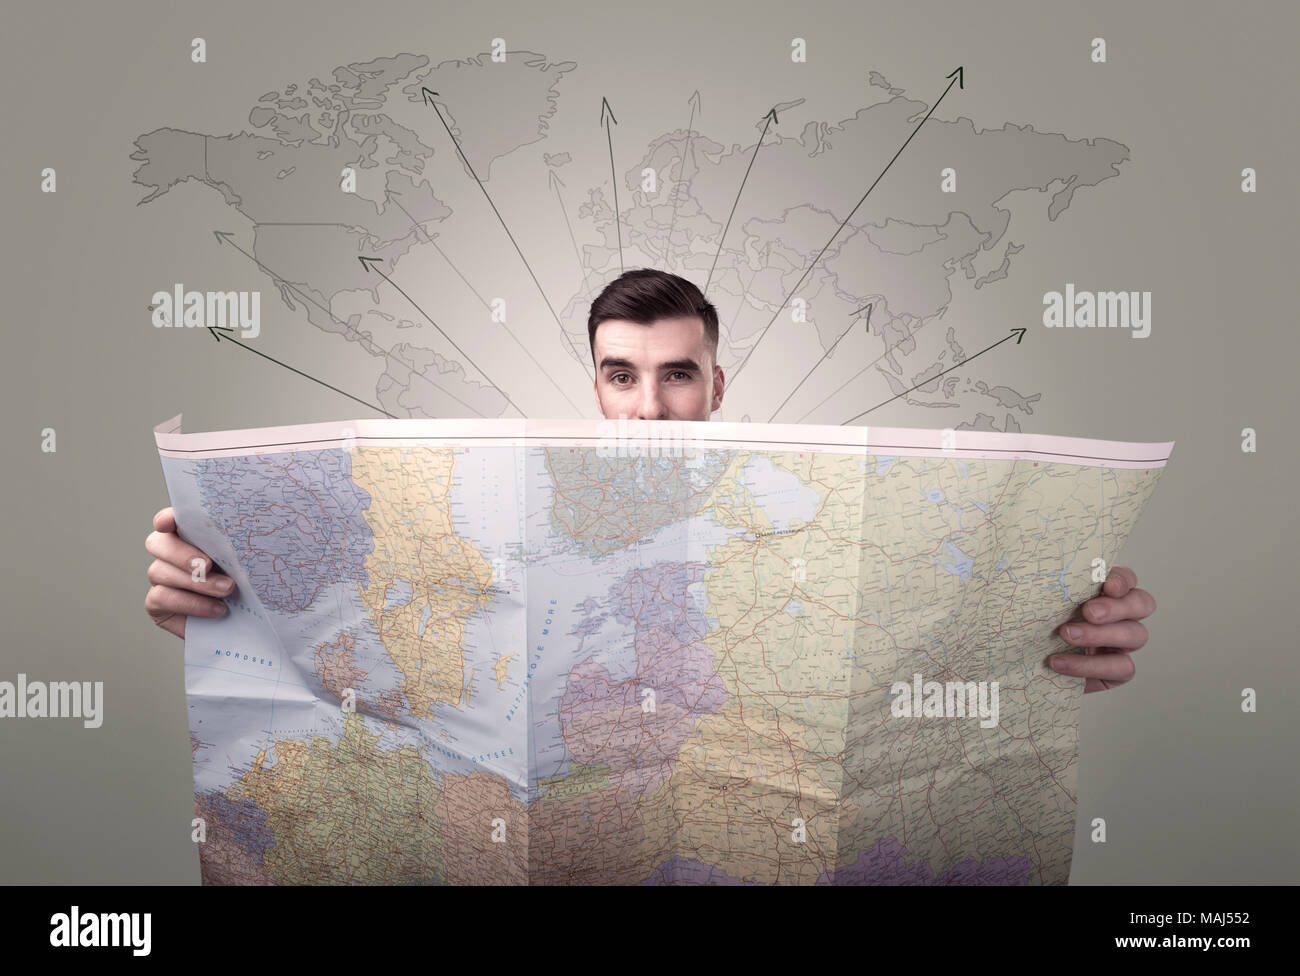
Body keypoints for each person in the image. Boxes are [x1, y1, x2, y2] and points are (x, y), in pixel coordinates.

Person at [146, 268, 1156, 691]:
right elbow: (384, 631)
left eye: (677, 374)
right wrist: (223, 596)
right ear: (593, 383)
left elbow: (914, 643)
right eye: (620, 375)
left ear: (717, 384)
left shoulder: (810, 512)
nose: (647, 407)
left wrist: (1054, 636)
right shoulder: (493, 508)